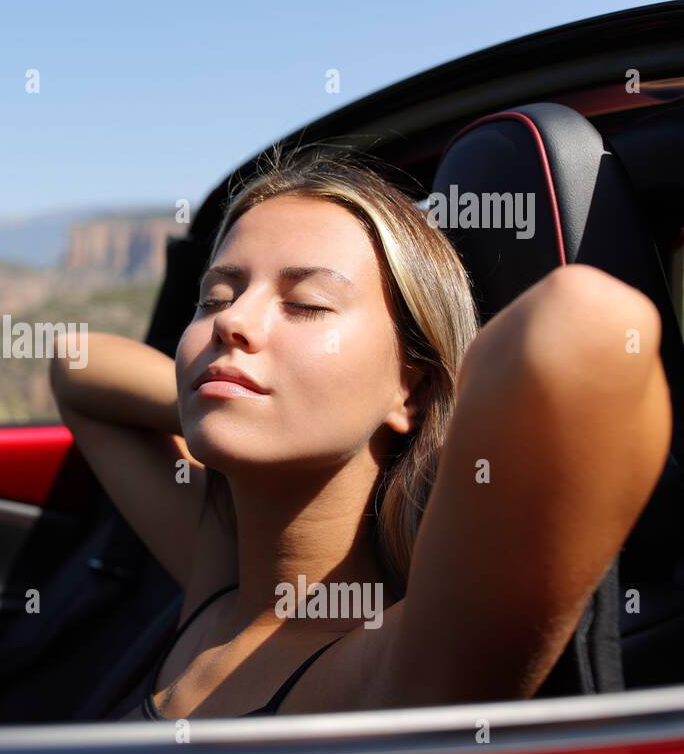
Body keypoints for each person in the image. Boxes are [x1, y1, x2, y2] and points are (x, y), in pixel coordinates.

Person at [50, 146, 672, 721]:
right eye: (215, 298)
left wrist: (442, 430)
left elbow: (585, 322)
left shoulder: (397, 668)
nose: (233, 320)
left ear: (413, 388)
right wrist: (212, 400)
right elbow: (76, 366)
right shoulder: (218, 582)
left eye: (307, 305)